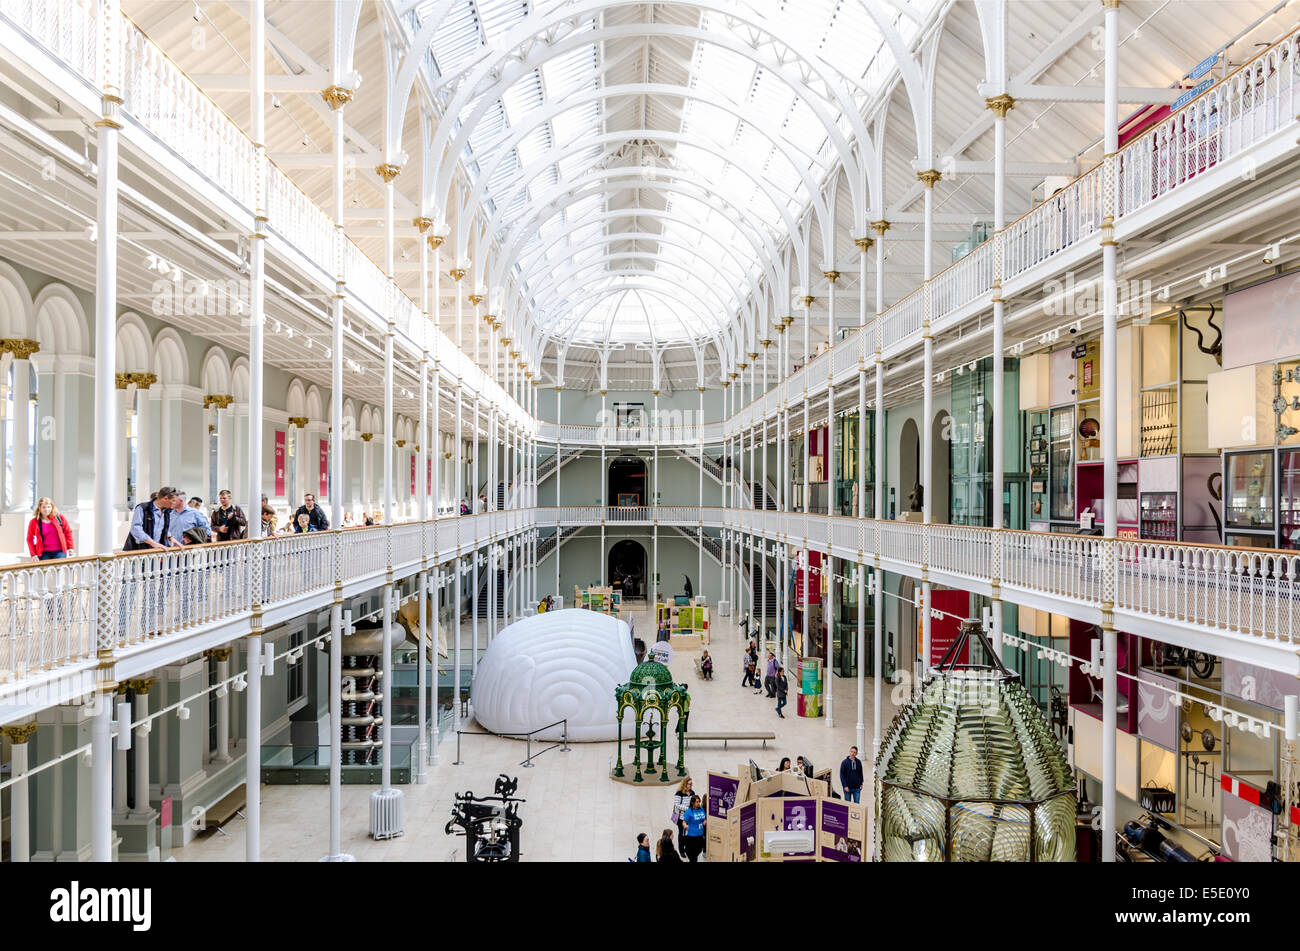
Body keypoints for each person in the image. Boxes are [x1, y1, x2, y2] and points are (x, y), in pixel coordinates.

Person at [125, 486, 177, 551]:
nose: (175, 503)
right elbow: (136, 529)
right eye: (173, 500)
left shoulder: (166, 511)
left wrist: (170, 537)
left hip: (157, 552)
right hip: (140, 551)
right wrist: (153, 543)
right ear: (165, 498)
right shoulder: (142, 508)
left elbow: (160, 528)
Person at [671, 777, 695, 857]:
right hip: (681, 818)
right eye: (689, 784)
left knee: (688, 834)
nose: (691, 785)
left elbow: (693, 802)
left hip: (689, 817)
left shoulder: (692, 793)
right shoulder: (679, 793)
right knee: (681, 834)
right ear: (685, 784)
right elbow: (677, 805)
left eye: (691, 784)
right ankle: (681, 850)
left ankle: (687, 848)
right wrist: (687, 809)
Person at [681, 794, 707, 862]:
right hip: (691, 836)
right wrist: (685, 825)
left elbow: (704, 818)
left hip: (700, 835)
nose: (699, 803)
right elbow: (684, 822)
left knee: (699, 850)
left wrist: (704, 821)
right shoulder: (689, 812)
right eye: (697, 802)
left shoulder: (701, 809)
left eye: (699, 801)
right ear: (693, 803)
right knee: (693, 856)